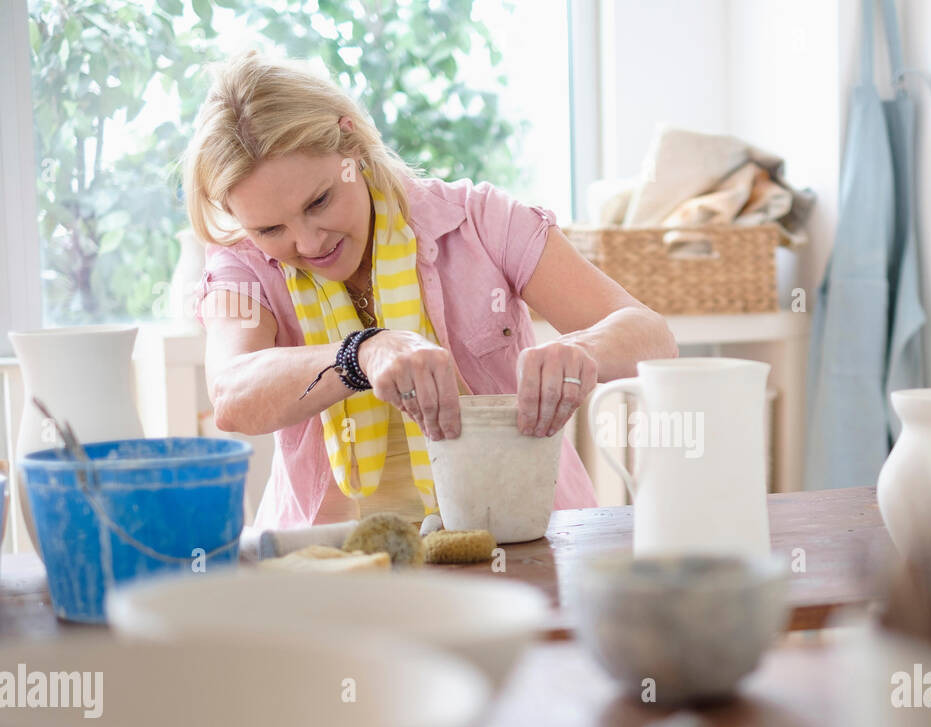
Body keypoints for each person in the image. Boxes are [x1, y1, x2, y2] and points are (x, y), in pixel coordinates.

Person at [184, 51, 676, 530]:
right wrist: (362, 355)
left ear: (350, 146)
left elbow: (652, 338)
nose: (308, 242)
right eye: (271, 228)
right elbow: (232, 393)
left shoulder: (483, 220)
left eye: (320, 200)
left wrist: (579, 350)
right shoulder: (241, 266)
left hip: (519, 543)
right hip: (333, 570)